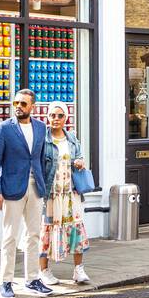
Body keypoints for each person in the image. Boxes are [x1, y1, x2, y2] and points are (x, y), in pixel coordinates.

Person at [0, 89, 54, 298]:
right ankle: (6, 282)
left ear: (32, 107)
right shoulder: (4, 129)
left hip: (36, 188)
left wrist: (45, 184)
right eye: (16, 102)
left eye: (23, 104)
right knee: (10, 236)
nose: (18, 106)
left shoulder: (40, 127)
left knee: (34, 234)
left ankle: (32, 279)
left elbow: (44, 158)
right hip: (11, 188)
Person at [38, 102, 91, 287]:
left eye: (60, 115)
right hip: (50, 194)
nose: (56, 119)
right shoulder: (42, 140)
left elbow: (80, 157)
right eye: (53, 115)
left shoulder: (72, 139)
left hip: (70, 193)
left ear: (66, 118)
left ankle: (78, 270)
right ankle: (43, 270)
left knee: (76, 229)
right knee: (46, 230)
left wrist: (80, 161)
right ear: (47, 117)